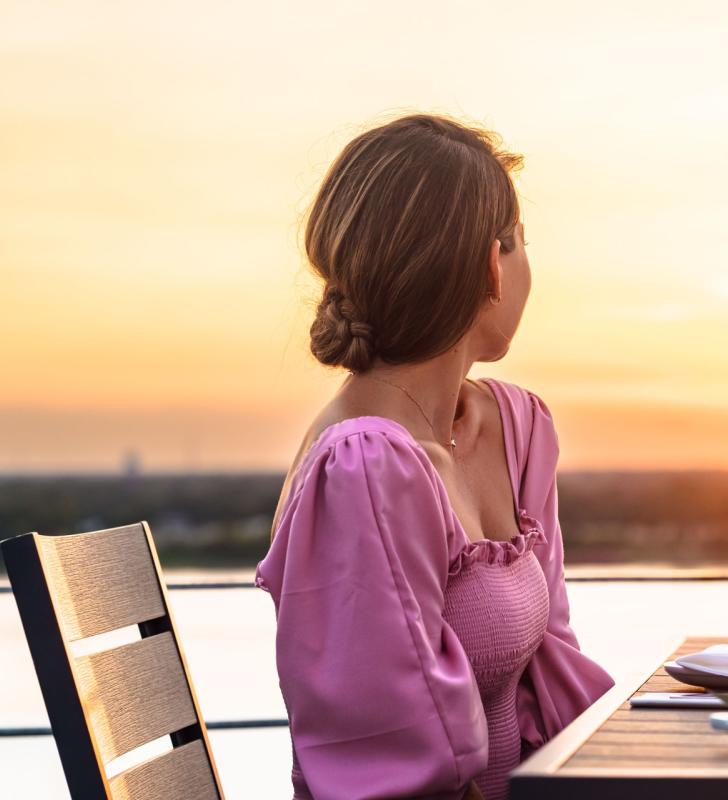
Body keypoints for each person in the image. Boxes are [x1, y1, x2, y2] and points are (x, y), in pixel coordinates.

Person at [255, 114, 614, 800]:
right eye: (521, 245)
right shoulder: (364, 468)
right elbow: (390, 774)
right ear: (490, 264)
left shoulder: (515, 429)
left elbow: (555, 679)